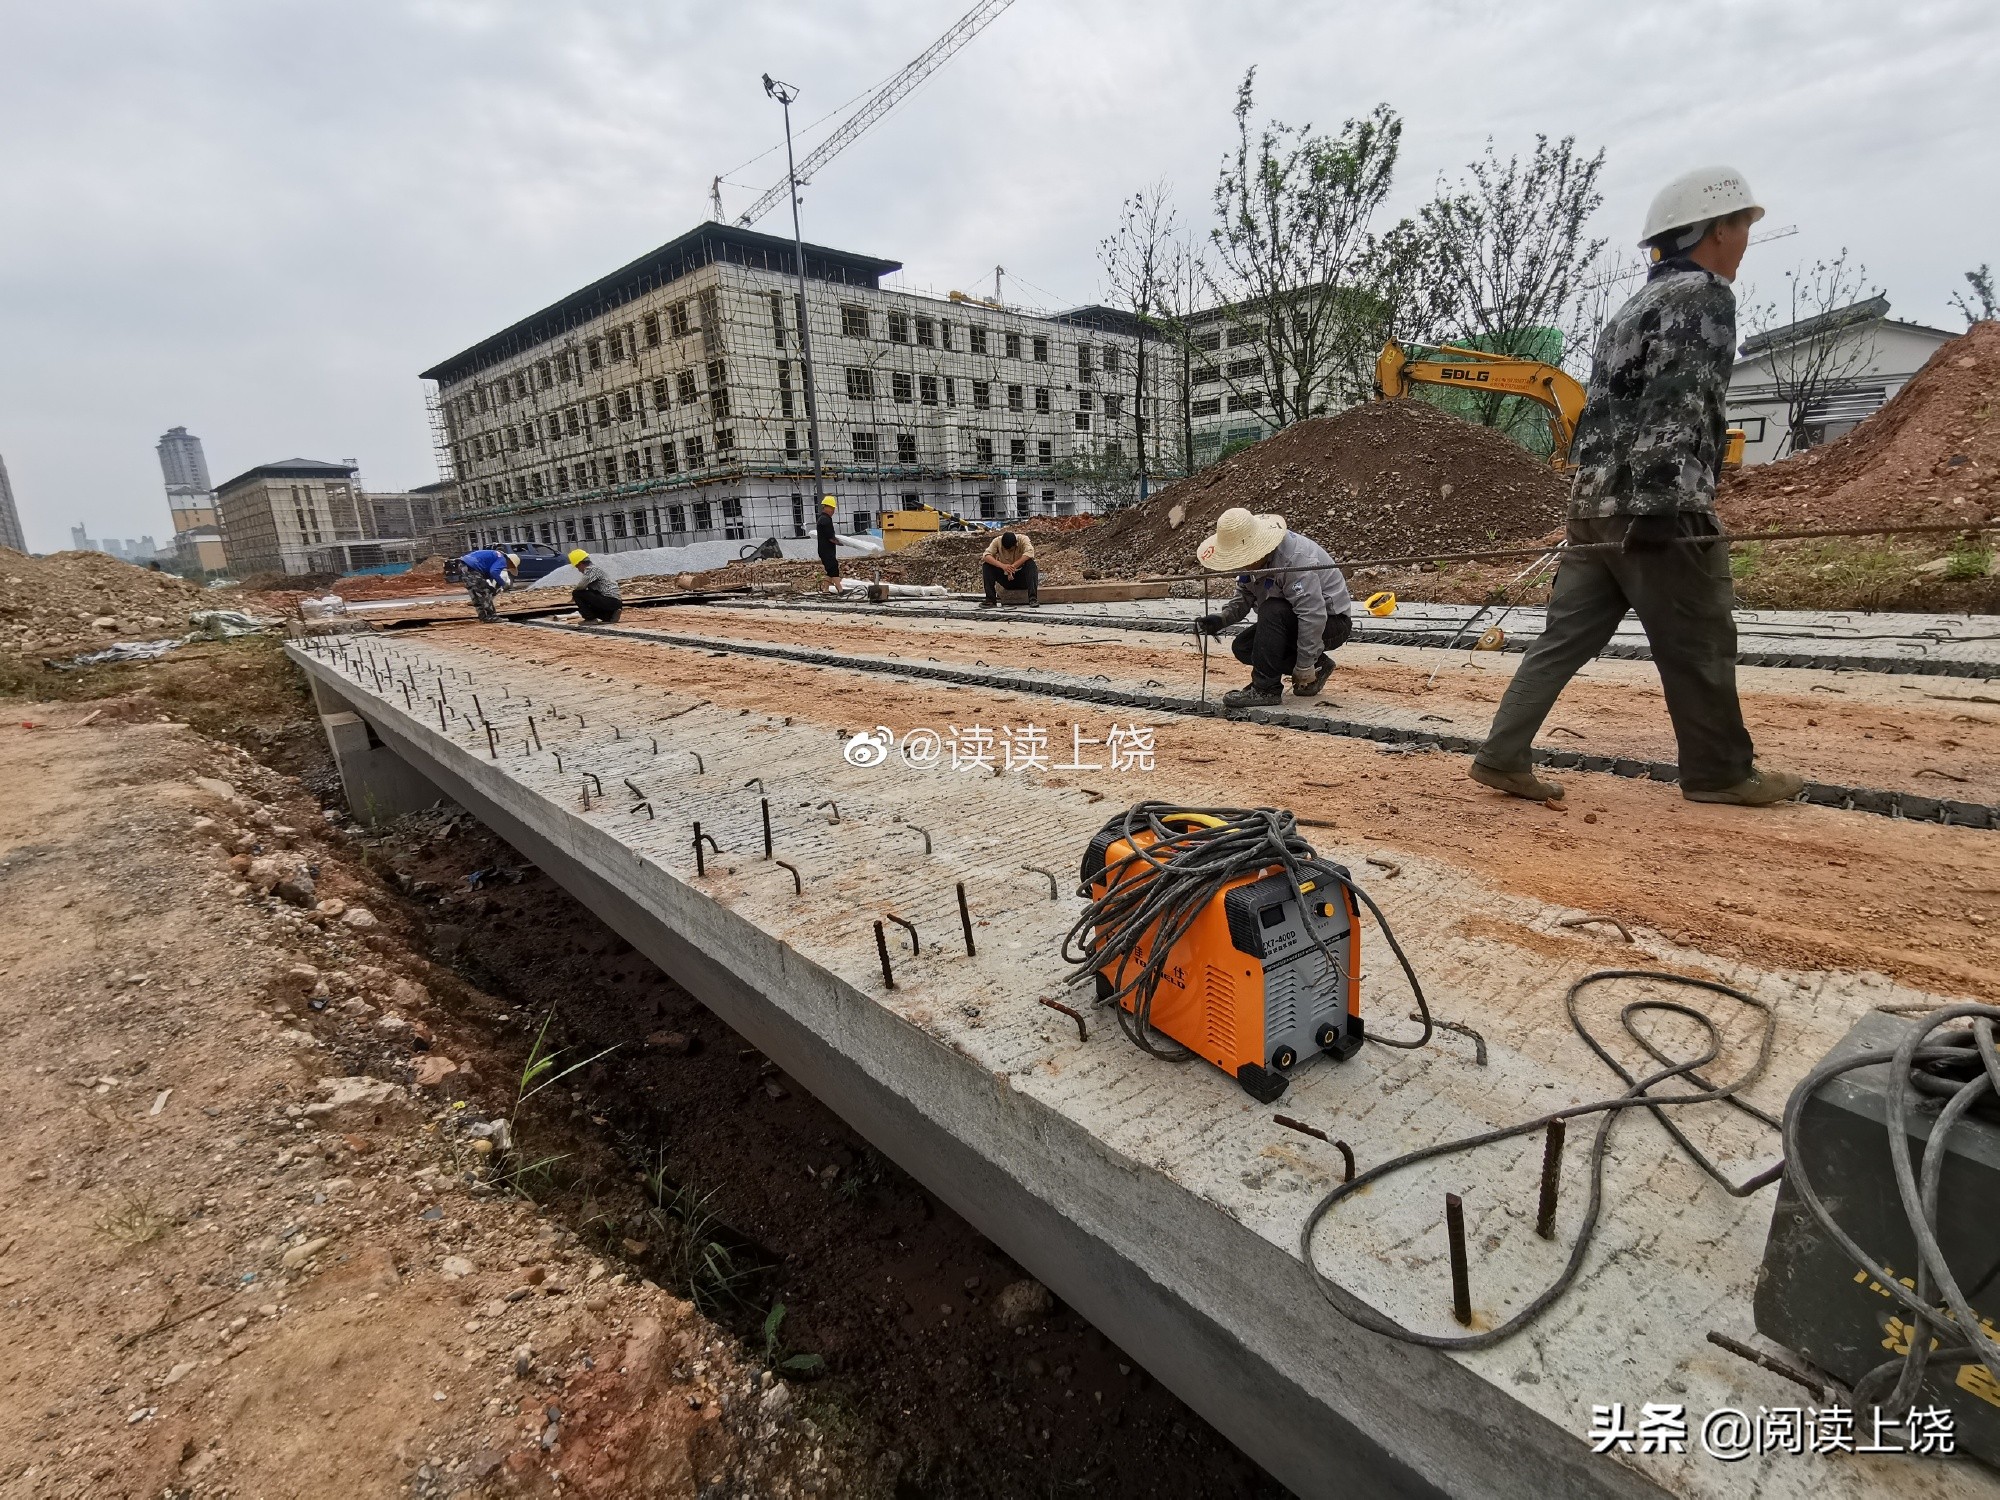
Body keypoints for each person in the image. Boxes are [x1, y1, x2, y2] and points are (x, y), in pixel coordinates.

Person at [1469, 165, 1804, 808]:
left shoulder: (1632, 307)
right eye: (1741, 226)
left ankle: (1502, 754)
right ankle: (1721, 773)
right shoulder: (1701, 297)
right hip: (1658, 508)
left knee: (1563, 638)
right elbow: (1682, 404)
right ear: (1710, 230)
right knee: (1700, 642)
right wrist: (1660, 506)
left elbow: (1604, 413)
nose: (1744, 240)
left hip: (1592, 506)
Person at [1195, 508, 1352, 708]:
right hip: (1295, 618)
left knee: (1272, 609)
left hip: (1332, 623)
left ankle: (1265, 689)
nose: (1242, 564)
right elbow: (1245, 594)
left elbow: (1312, 616)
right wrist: (1223, 618)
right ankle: (1320, 665)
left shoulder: (1293, 561)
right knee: (1244, 647)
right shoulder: (1252, 565)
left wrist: (1304, 665)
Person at [979, 530, 1039, 607]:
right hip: (1006, 579)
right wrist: (1003, 566)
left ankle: (1033, 599)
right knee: (986, 566)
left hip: (1022, 578)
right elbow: (986, 556)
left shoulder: (1023, 539)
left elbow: (1030, 553)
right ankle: (990, 600)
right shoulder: (997, 541)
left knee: (1030, 564)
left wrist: (1013, 566)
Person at [458, 548, 518, 623]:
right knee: (485, 592)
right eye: (510, 567)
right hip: (472, 567)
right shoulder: (502, 559)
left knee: (475, 593)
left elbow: (488, 574)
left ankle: (483, 616)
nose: (507, 568)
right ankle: (492, 616)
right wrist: (503, 584)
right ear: (511, 562)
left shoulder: (495, 556)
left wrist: (493, 587)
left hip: (463, 566)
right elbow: (494, 572)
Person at [567, 548, 622, 622]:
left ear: (581, 563)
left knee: (577, 593)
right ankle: (611, 615)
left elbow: (581, 586)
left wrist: (574, 596)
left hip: (610, 601)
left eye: (577, 567)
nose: (579, 570)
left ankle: (590, 619)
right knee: (589, 597)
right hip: (614, 602)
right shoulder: (596, 569)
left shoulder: (591, 570)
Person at [815, 494, 841, 593]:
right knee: (834, 568)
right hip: (826, 550)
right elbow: (830, 536)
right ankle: (840, 589)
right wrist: (839, 542)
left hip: (824, 549)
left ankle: (826, 590)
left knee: (829, 570)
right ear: (826, 507)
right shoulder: (825, 520)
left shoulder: (822, 518)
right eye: (832, 509)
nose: (833, 511)